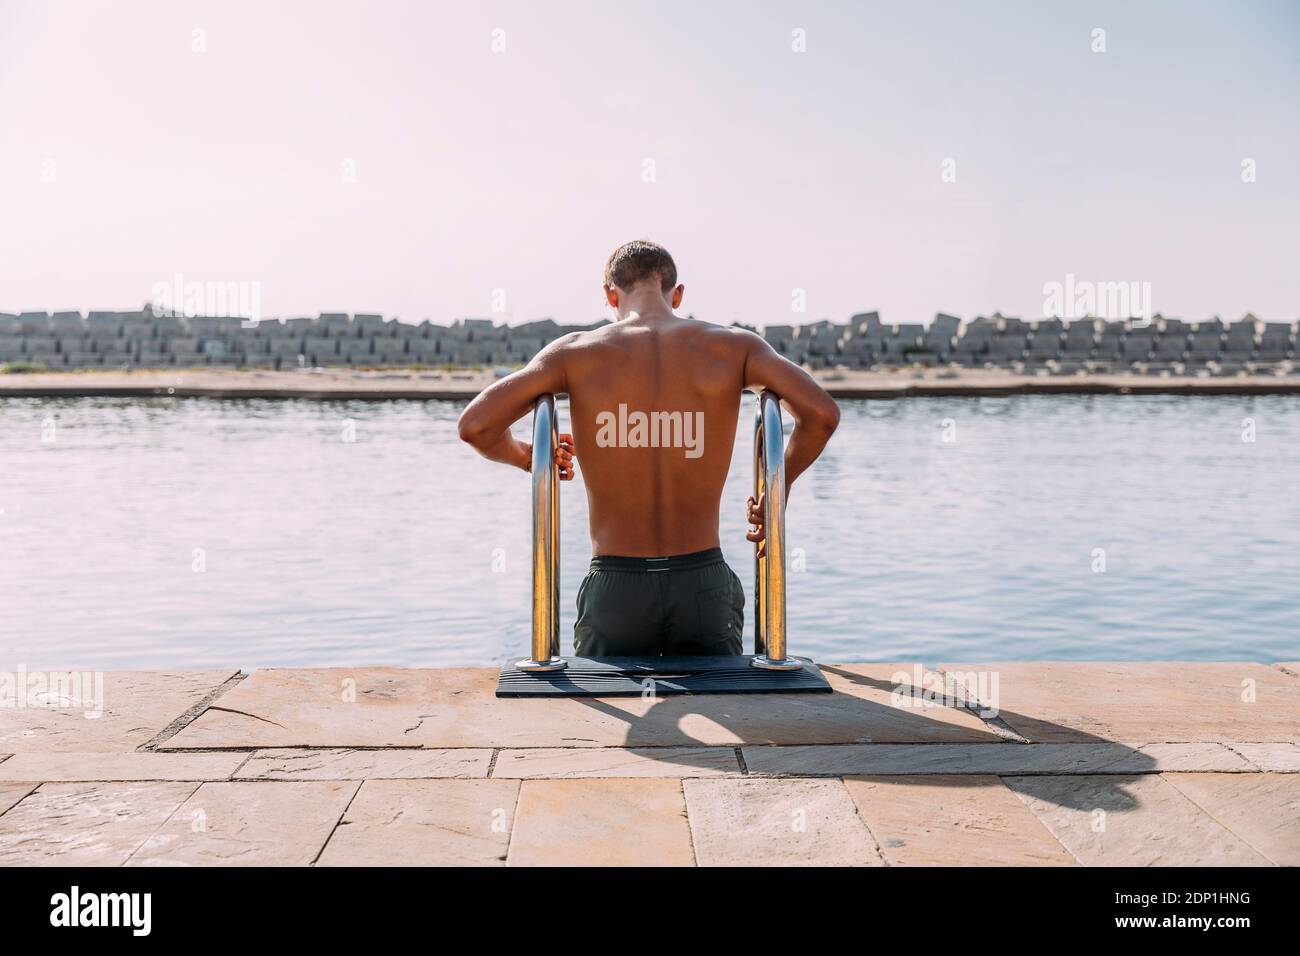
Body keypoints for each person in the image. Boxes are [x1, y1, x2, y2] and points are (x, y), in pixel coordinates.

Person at [458, 240, 839, 656]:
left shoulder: (575, 353)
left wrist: (527, 456)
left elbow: (477, 426)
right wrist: (776, 493)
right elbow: (821, 415)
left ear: (610, 294)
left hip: (615, 590)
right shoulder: (734, 348)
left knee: (605, 720)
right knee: (730, 709)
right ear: (677, 295)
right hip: (702, 582)